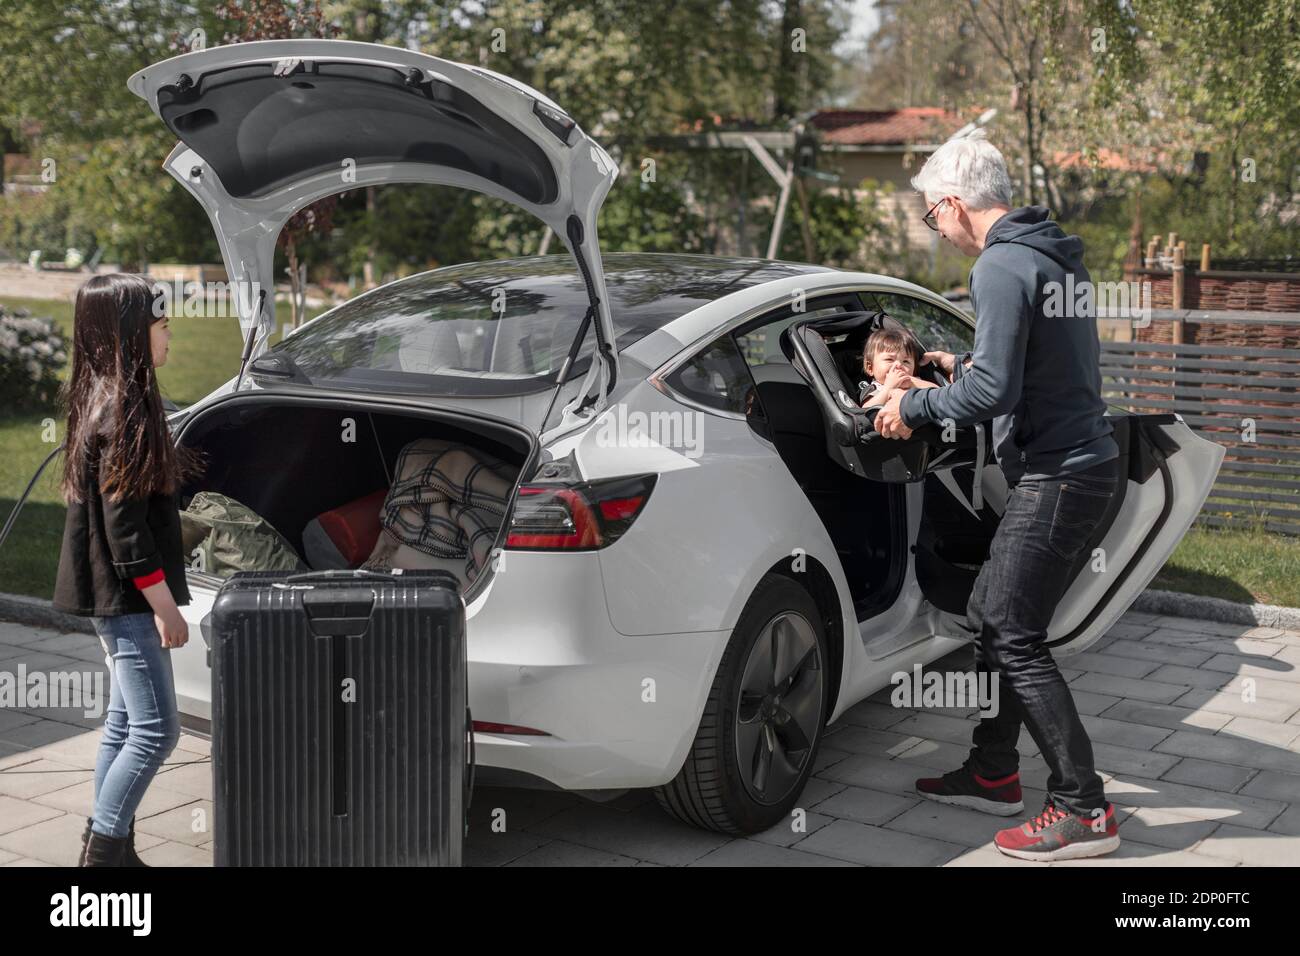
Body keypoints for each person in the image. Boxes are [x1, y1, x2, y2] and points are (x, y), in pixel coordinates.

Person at [873, 129, 1123, 861]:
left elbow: (994, 391)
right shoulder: (1046, 255)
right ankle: (993, 771)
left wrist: (909, 409)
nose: (936, 228)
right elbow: (1019, 364)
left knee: (1013, 633)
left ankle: (1083, 806)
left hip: (1060, 473)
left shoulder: (1000, 265)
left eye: (931, 215)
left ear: (953, 203)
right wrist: (955, 361)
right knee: (992, 614)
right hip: (1080, 463)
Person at [52, 273, 202, 867]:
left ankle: (115, 846)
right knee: (157, 732)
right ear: (130, 337)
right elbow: (126, 530)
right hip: (128, 601)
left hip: (112, 597)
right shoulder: (125, 412)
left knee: (122, 723)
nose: (169, 338)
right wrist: (165, 607)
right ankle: (103, 856)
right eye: (162, 327)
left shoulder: (107, 398)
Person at [857, 327, 939, 408]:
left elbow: (939, 395)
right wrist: (888, 388)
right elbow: (866, 410)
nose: (899, 365)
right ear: (870, 368)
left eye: (906, 361)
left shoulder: (916, 382)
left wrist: (912, 382)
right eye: (889, 359)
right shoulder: (875, 389)